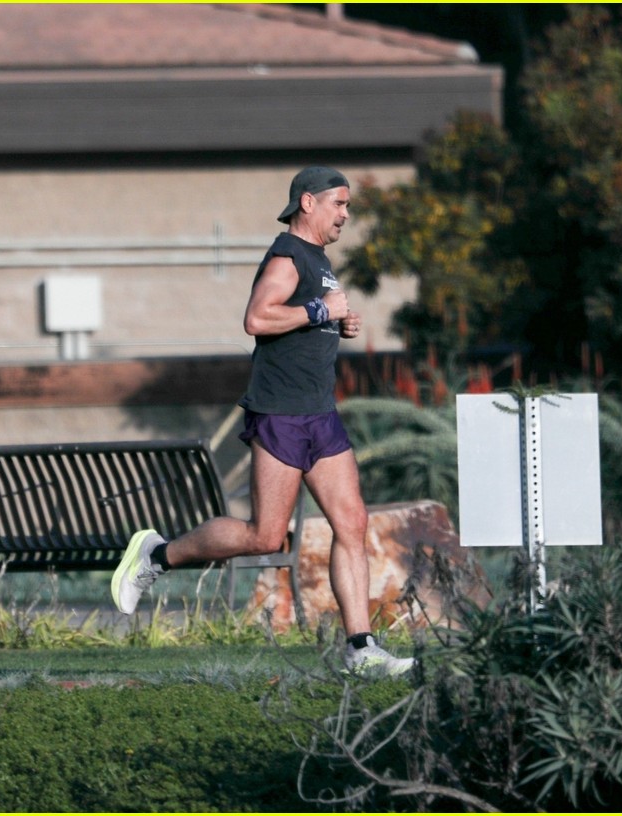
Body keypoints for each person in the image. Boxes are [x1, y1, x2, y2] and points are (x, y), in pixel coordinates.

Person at [112, 166, 413, 676]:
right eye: (338, 204)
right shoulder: (287, 254)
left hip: (319, 413)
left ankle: (359, 648)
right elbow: (256, 318)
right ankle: (157, 555)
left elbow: (298, 321)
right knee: (265, 537)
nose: (345, 214)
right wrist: (321, 311)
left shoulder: (316, 259)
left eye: (347, 205)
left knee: (352, 522)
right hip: (281, 414)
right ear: (307, 203)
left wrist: (334, 323)